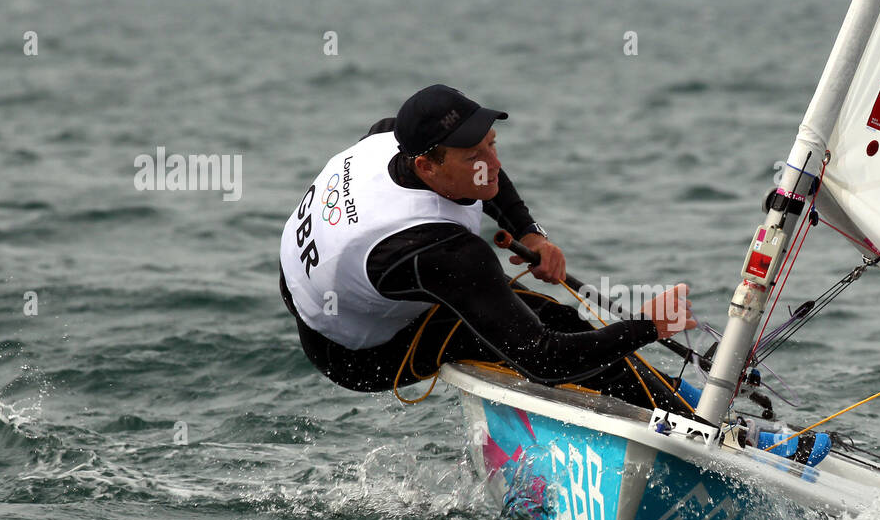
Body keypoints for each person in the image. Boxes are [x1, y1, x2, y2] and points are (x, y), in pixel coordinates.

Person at [278, 84, 698, 412]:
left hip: (322, 293)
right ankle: (690, 425)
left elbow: (486, 178)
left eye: (492, 144)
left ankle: (673, 395)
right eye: (472, 157)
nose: (492, 164)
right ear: (426, 166)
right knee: (550, 329)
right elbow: (545, 360)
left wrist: (528, 230)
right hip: (357, 354)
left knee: (550, 317)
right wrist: (649, 326)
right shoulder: (444, 253)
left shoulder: (391, 136)